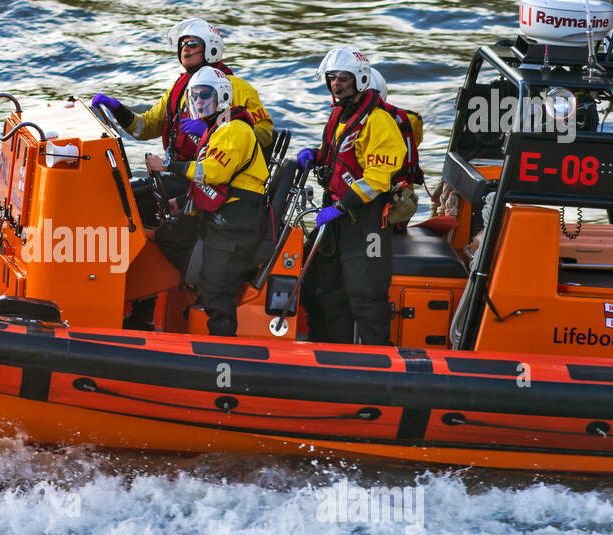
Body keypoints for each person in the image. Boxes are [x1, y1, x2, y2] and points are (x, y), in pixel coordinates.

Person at [92, 17, 273, 206]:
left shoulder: (237, 88)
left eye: (192, 44)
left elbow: (265, 135)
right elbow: (143, 128)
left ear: (211, 48)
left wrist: (213, 131)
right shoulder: (178, 89)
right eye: (182, 44)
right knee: (117, 191)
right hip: (178, 172)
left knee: (128, 199)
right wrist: (117, 108)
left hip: (214, 181)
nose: (185, 48)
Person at [143, 66, 269, 337]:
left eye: (205, 96)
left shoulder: (234, 130)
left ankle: (222, 354)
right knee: (168, 235)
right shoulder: (217, 129)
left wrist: (167, 165)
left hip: (238, 219)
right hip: (222, 215)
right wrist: (181, 200)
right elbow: (208, 181)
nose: (199, 102)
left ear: (221, 96)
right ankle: (194, 280)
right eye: (195, 96)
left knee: (216, 289)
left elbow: (211, 172)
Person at [296, 46, 406, 346]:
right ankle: (333, 350)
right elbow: (339, 158)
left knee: (365, 293)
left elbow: (376, 179)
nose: (336, 84)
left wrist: (342, 206)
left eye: (343, 78)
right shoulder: (342, 116)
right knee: (326, 287)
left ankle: (375, 360)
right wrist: (316, 156)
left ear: (359, 80)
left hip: (365, 219)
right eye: (332, 78)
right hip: (337, 214)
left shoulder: (377, 121)